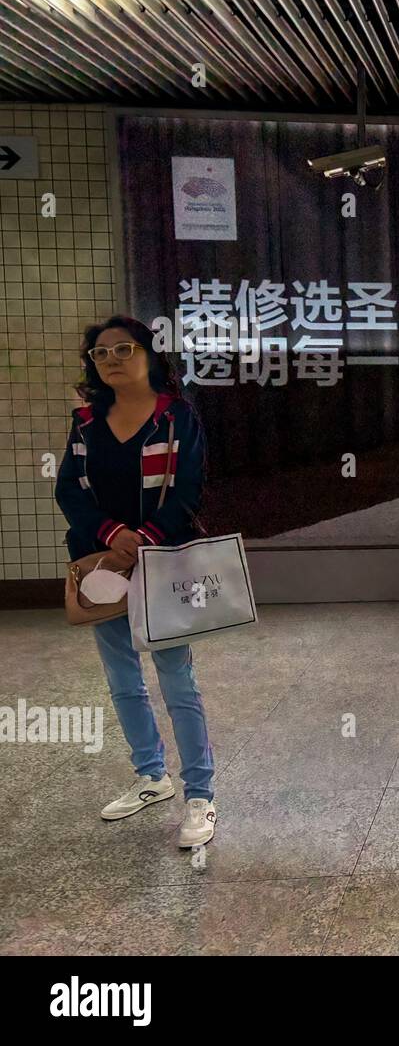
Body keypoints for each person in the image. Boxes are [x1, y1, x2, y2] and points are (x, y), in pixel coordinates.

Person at [54, 315, 217, 848]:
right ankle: (151, 776)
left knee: (176, 679)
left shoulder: (176, 419)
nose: (113, 360)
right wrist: (113, 532)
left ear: (148, 354)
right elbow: (69, 494)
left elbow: (189, 488)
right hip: (102, 565)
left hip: (163, 561)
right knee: (123, 677)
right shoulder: (84, 423)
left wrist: (144, 535)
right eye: (101, 354)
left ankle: (200, 794)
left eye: (124, 349)